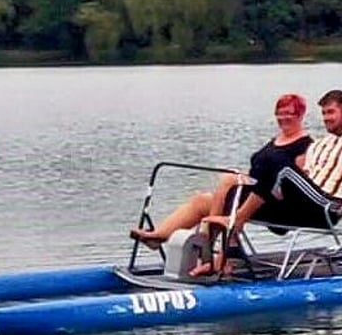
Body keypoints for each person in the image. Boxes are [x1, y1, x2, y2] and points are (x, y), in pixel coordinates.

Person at [196, 89, 342, 274]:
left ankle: (238, 221)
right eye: (323, 114)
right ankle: (221, 261)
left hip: (324, 206)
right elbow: (298, 174)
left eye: (331, 112)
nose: (326, 118)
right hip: (299, 204)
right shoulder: (321, 144)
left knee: (277, 161)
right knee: (234, 191)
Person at [129, 93, 314, 248]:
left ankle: (207, 242)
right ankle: (159, 236)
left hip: (273, 205)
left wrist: (244, 183)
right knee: (201, 200)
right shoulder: (277, 140)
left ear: (300, 115)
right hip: (251, 196)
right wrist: (243, 178)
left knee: (227, 182)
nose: (282, 118)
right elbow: (260, 172)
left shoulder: (304, 146)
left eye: (288, 113)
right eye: (279, 113)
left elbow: (291, 185)